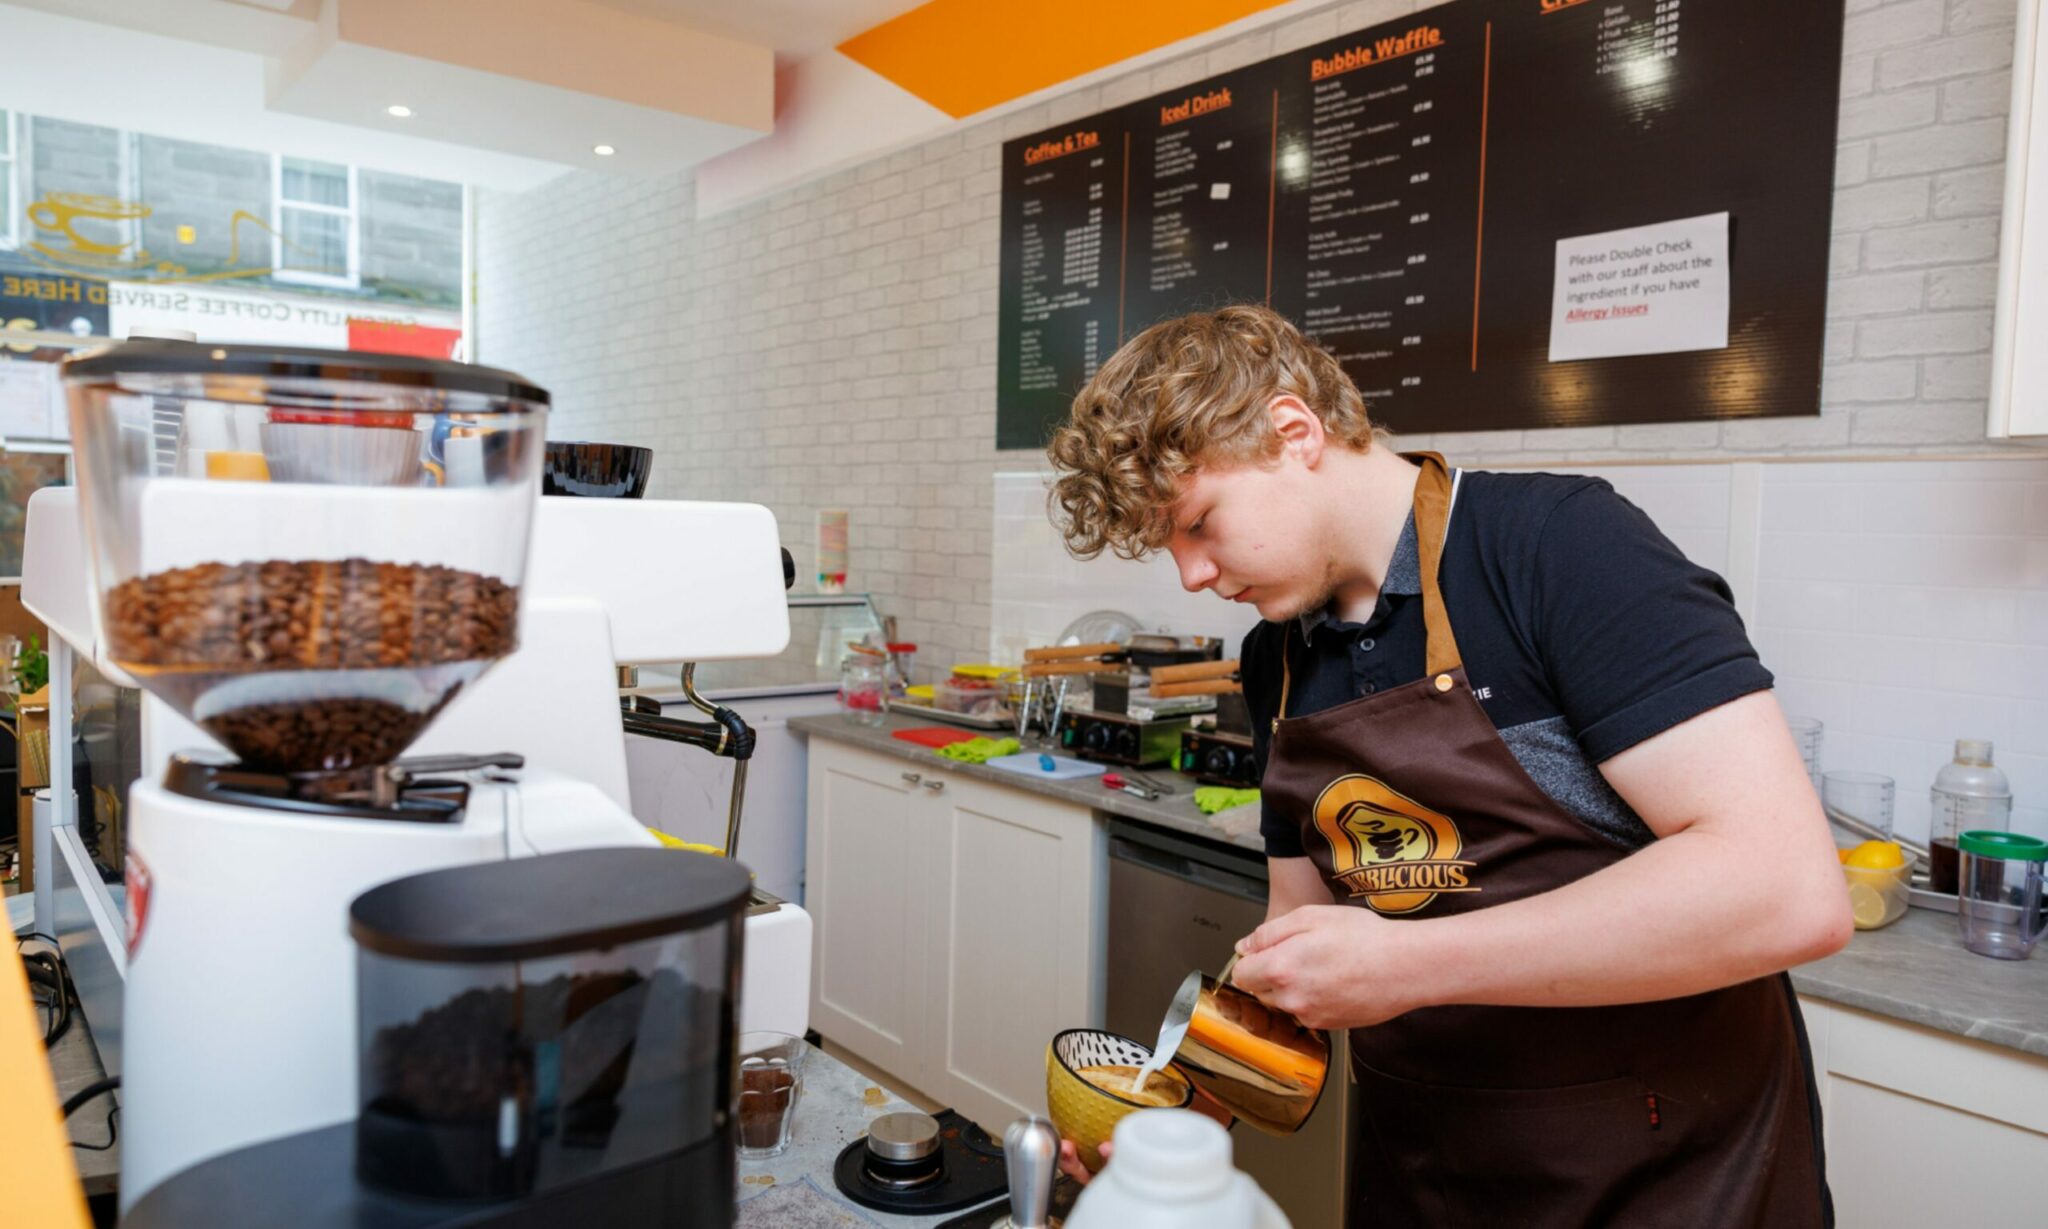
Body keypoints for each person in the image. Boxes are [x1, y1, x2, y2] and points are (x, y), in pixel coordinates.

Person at [1043, 305, 1850, 1226]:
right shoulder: (1277, 660)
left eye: (1198, 523)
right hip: (1426, 1178)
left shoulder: (1557, 548)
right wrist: (1164, 1126)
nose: (1192, 575)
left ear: (1292, 431)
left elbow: (1785, 886)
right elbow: (1294, 959)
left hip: (1665, 1174)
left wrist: (1410, 962)